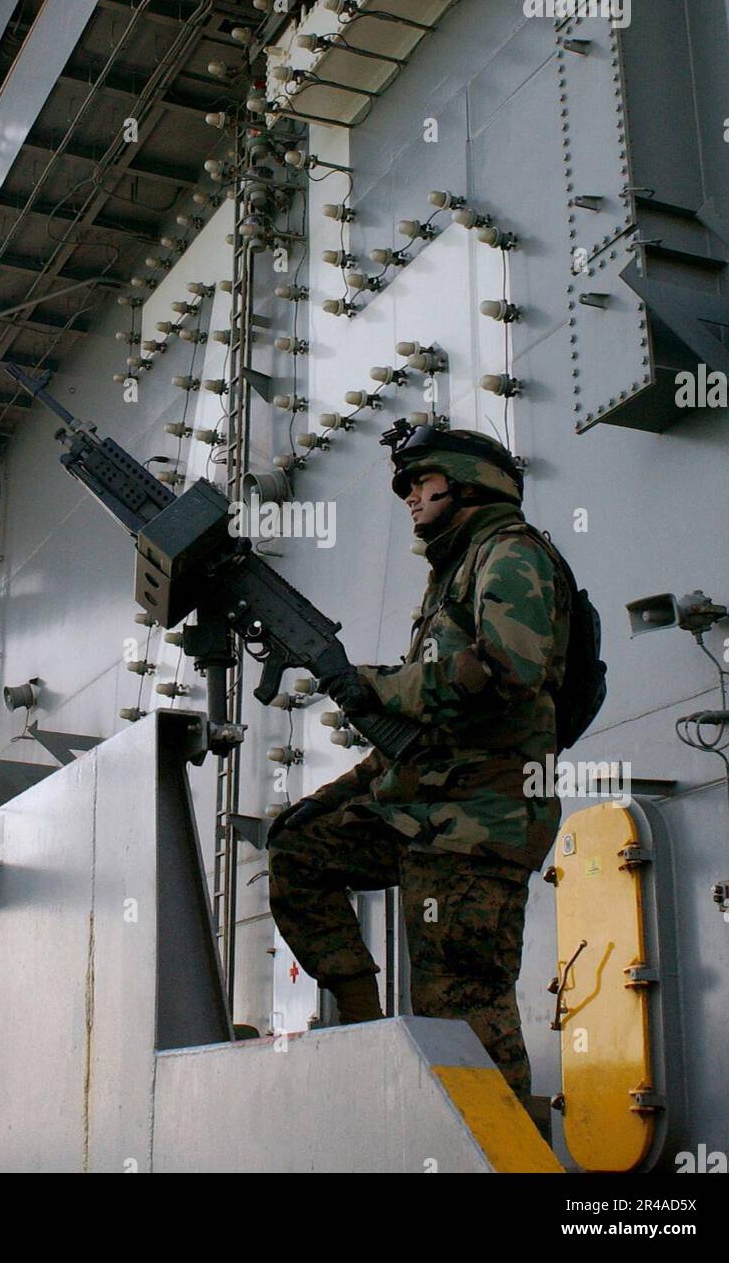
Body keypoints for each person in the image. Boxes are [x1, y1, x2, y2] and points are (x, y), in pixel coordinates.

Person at [266, 422, 572, 1107]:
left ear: (468, 482)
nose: (407, 495)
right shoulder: (450, 575)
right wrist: (335, 794)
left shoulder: (511, 554)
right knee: (298, 849)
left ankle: (507, 1149)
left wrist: (375, 683)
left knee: (464, 1013)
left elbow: (505, 670)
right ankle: (366, 1027)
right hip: (422, 813)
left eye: (420, 481)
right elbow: (419, 732)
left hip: (478, 826)